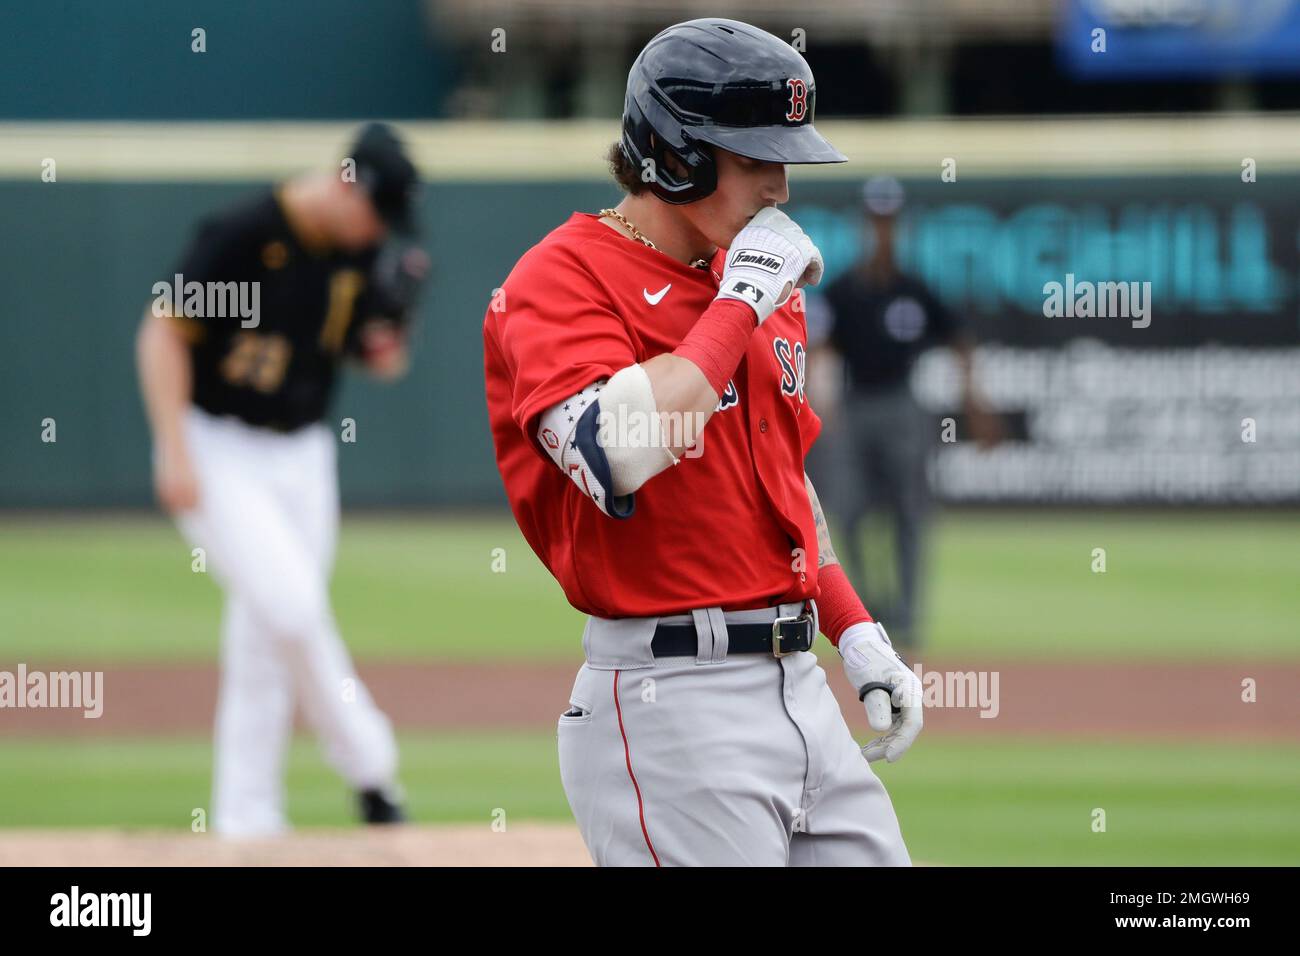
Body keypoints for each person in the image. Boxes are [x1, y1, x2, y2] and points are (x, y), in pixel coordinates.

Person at [483, 19, 923, 867]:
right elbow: (614, 449)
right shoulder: (561, 277)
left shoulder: (753, 279)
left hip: (799, 686)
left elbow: (783, 490)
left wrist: (855, 631)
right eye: (756, 158)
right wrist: (742, 303)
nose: (781, 188)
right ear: (675, 153)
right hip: (668, 702)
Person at [135, 123, 429, 837]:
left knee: (267, 633)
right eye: (378, 211)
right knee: (293, 608)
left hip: (304, 457)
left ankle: (246, 818)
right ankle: (372, 765)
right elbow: (162, 332)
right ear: (347, 182)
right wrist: (172, 447)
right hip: (220, 447)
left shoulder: (355, 252)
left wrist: (393, 327)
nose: (380, 231)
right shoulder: (246, 235)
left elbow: (376, 359)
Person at [809, 176, 1003, 653]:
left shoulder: (916, 289)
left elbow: (959, 340)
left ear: (900, 227)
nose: (882, 232)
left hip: (902, 404)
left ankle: (909, 620)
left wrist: (975, 406)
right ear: (863, 226)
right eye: (875, 222)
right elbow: (820, 350)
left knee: (910, 513)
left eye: (890, 222)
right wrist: (821, 409)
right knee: (849, 512)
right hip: (856, 407)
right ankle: (869, 611)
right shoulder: (843, 291)